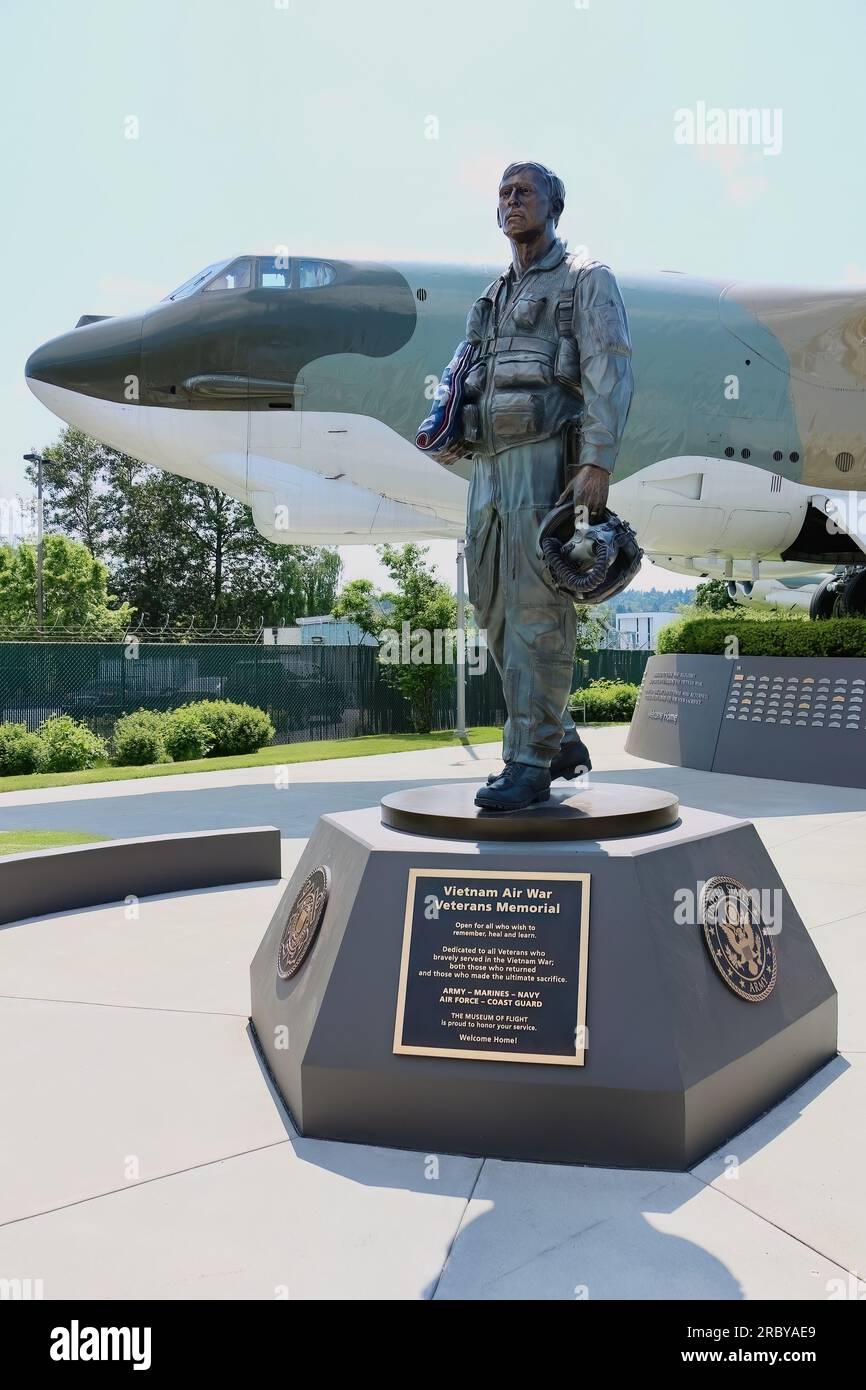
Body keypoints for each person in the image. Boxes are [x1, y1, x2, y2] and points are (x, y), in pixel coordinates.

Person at [432, 161, 634, 810]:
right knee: (492, 607)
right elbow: (473, 374)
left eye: (524, 192)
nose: (511, 202)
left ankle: (530, 760)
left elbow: (610, 368)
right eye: (504, 194)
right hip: (488, 468)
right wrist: (454, 426)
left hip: (546, 463)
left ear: (554, 205)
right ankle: (562, 736)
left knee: (536, 615)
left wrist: (596, 459)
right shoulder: (491, 295)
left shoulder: (585, 279)